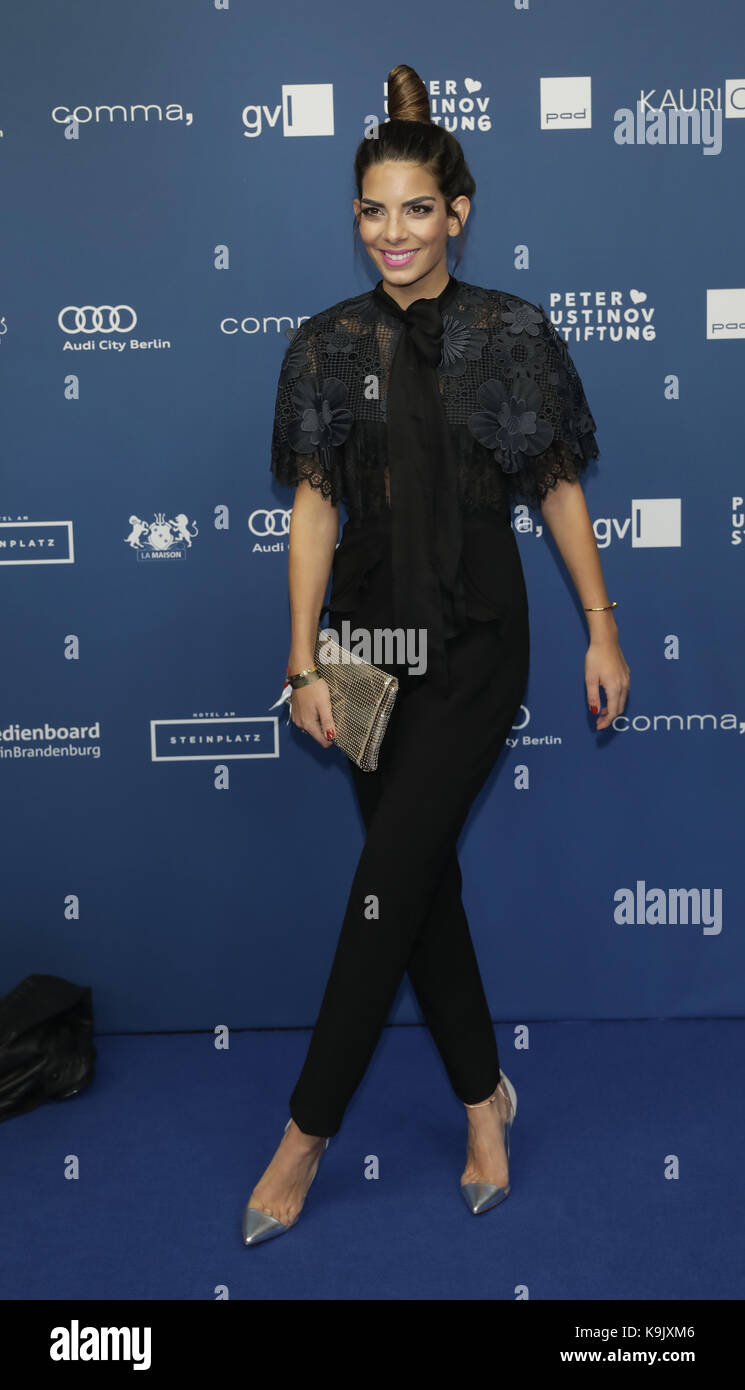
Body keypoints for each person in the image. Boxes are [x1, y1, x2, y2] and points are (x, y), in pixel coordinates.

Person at [242, 64, 630, 1246]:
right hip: (364, 645)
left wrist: (602, 625)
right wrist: (304, 662)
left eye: (416, 209)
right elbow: (313, 507)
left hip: (474, 642)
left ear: (455, 212)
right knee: (420, 888)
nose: (393, 233)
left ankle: (304, 1132)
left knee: (386, 880)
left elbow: (556, 487)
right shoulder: (321, 348)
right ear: (353, 214)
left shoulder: (513, 336)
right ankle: (484, 1107)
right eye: (372, 210)